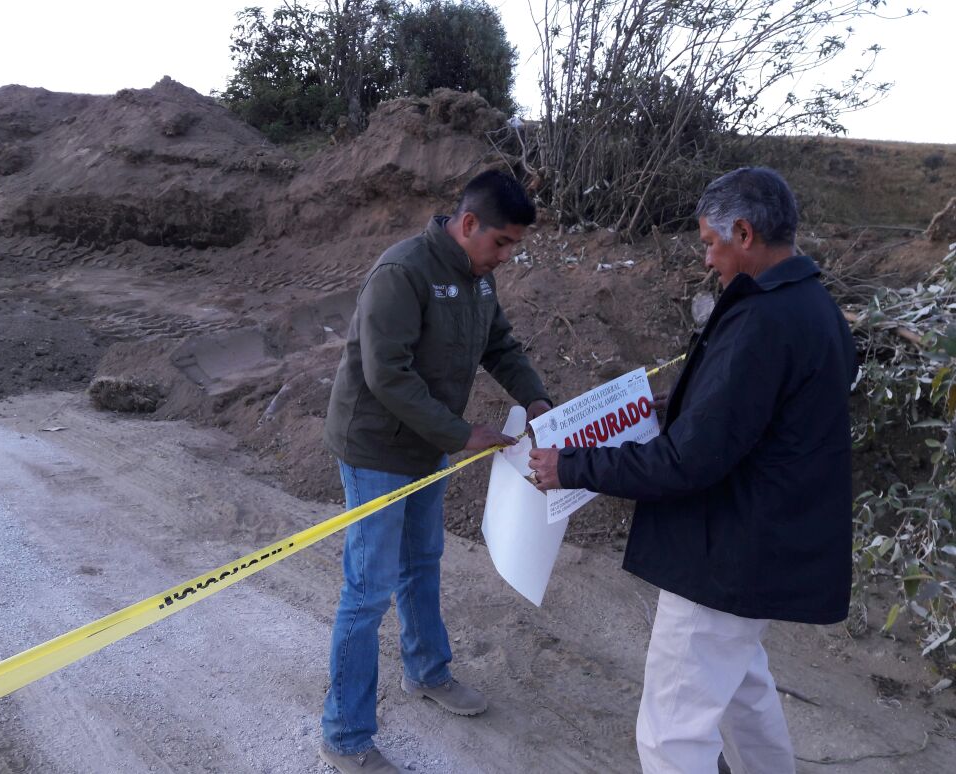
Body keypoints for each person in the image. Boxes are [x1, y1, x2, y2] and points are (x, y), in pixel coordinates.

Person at [527, 167, 856, 773]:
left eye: (711, 242)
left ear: (745, 234)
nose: (707, 260)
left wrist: (570, 466)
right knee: (741, 693)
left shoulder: (763, 320)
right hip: (766, 546)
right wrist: (683, 408)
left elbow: (687, 461)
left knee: (671, 736)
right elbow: (763, 417)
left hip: (724, 554)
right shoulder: (814, 307)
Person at [320, 169, 552, 773]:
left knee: (422, 560)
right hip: (375, 448)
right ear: (468, 224)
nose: (506, 256)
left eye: (514, 246)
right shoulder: (402, 273)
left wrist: (535, 398)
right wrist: (461, 434)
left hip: (426, 445)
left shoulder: (478, 279)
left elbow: (500, 345)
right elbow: (387, 375)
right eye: (502, 242)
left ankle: (426, 671)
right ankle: (345, 736)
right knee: (368, 590)